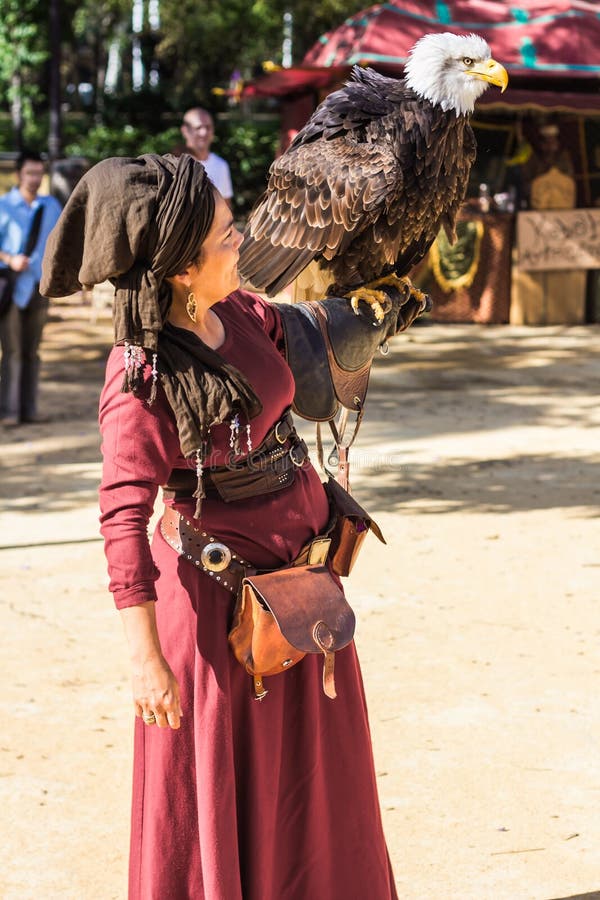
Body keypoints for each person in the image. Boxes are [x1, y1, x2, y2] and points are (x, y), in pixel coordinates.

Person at [41, 153, 427, 900]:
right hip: (219, 617)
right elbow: (122, 522)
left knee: (317, 786)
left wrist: (364, 317)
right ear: (182, 269)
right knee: (217, 796)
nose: (241, 241)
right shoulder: (139, 378)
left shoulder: (245, 315)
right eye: (224, 235)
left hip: (303, 597)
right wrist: (145, 662)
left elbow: (309, 339)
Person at [0, 151, 62, 426]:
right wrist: (9, 259)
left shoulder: (51, 206)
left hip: (40, 287)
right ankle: (9, 412)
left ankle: (30, 408)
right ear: (19, 175)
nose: (35, 179)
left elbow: (63, 241)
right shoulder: (4, 206)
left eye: (39, 173)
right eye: (30, 174)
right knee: (12, 350)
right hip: (11, 289)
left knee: (32, 351)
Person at [181, 106, 234, 206]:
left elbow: (226, 208)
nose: (204, 132)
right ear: (185, 131)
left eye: (208, 127)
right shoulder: (175, 165)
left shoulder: (221, 165)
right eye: (198, 127)